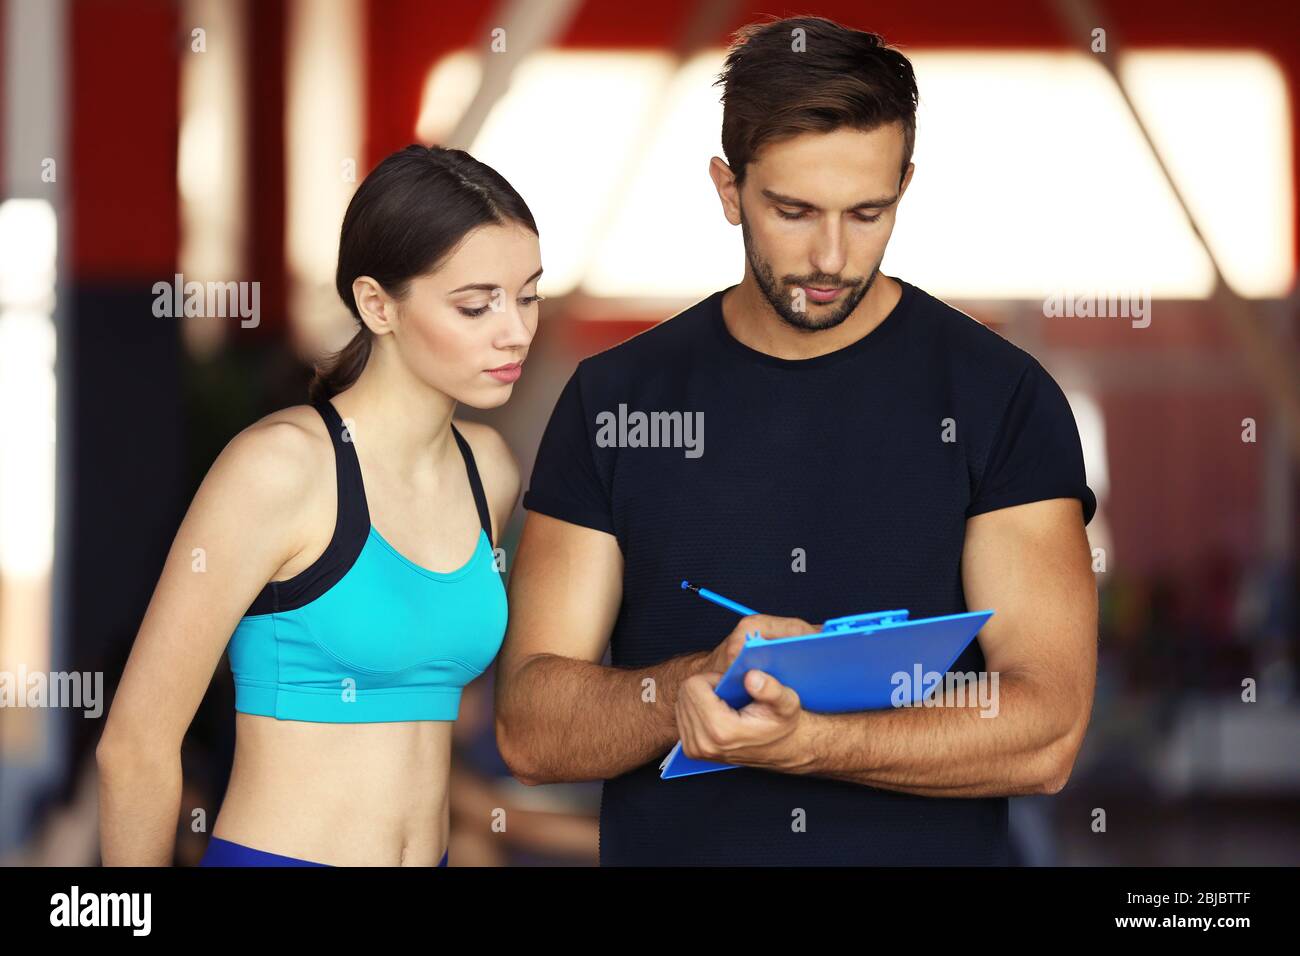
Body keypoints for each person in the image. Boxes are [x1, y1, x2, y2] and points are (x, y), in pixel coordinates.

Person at [496, 16, 1099, 865]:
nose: (831, 256)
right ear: (727, 189)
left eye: (868, 212)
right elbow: (530, 727)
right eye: (792, 210)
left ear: (905, 185)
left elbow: (1047, 731)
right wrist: (689, 689)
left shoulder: (1002, 400)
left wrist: (809, 740)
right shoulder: (615, 402)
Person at [96, 144, 541, 866]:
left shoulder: (486, 469)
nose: (514, 330)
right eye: (475, 303)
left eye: (527, 295)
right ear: (376, 304)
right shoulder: (280, 468)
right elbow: (134, 747)